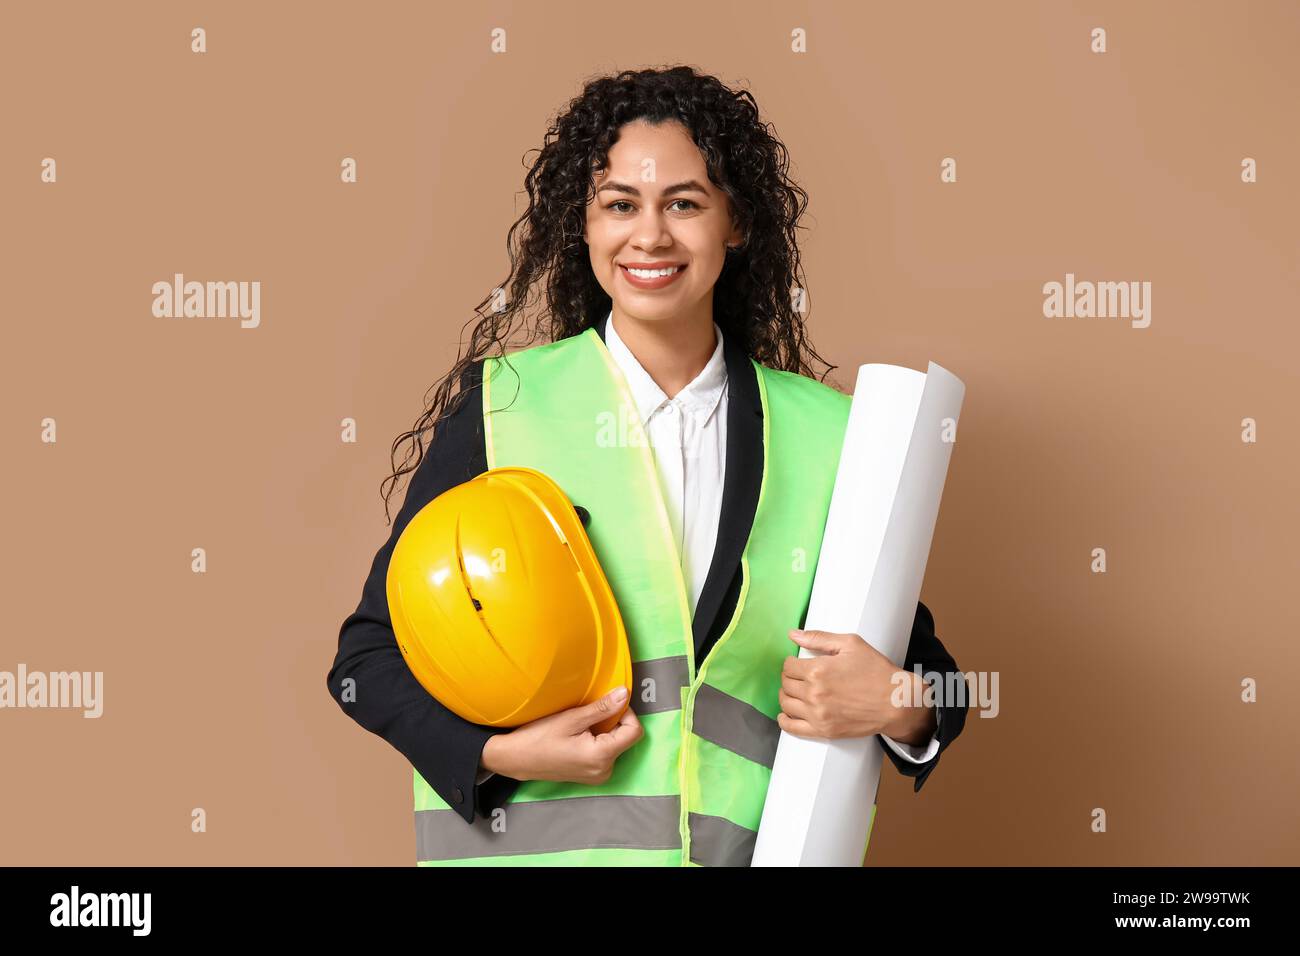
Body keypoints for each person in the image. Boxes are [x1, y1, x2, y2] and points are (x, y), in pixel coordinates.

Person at [327, 65, 968, 866]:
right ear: (585, 226)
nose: (651, 236)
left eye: (686, 203)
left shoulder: (830, 434)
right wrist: (495, 755)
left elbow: (932, 678)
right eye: (621, 204)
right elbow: (367, 659)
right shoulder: (506, 404)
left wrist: (903, 706)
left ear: (735, 223)